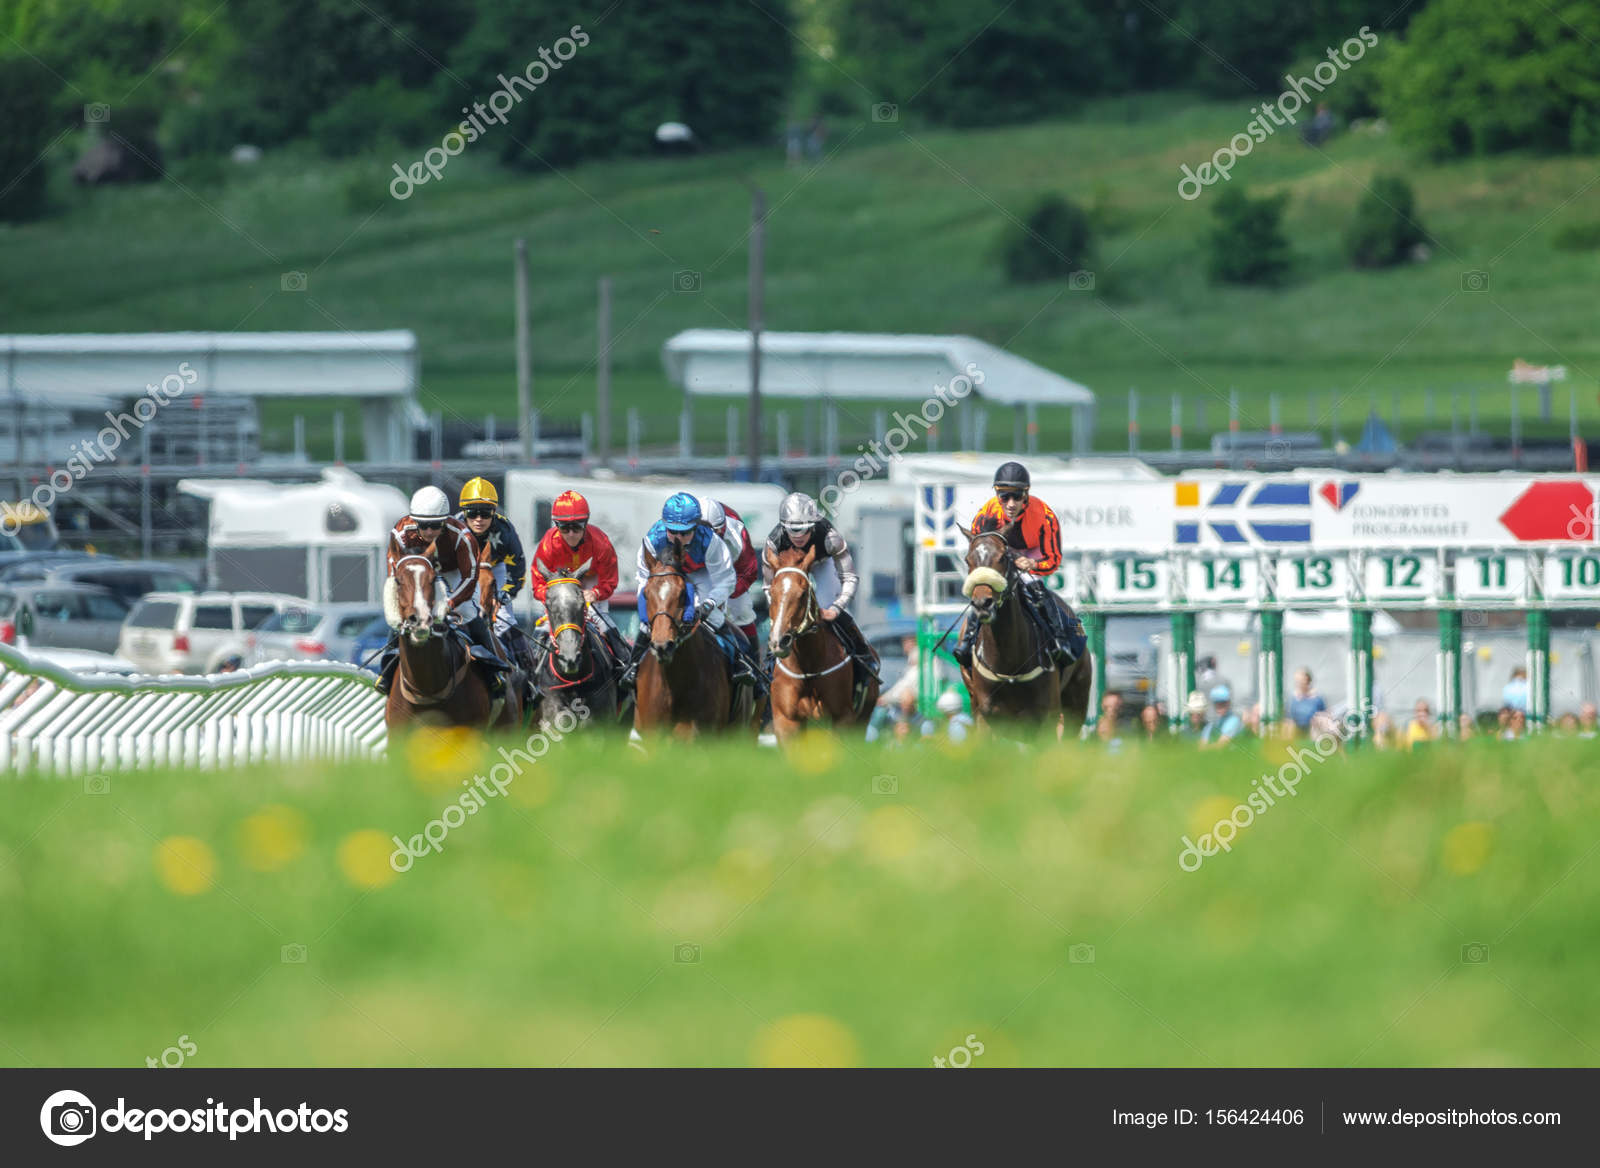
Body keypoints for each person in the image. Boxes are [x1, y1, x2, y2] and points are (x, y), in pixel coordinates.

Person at [621, 492, 761, 691]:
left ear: (696, 526)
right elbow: (644, 581)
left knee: (714, 619)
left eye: (685, 533)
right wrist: (647, 614)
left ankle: (741, 664)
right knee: (649, 624)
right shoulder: (653, 540)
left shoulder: (711, 541)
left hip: (703, 573)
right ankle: (633, 667)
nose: (678, 538)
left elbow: (726, 580)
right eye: (673, 531)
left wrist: (710, 603)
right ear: (665, 525)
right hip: (667, 575)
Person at [376, 486, 502, 699]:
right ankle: (387, 671)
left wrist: (448, 605)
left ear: (445, 521)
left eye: (435, 526)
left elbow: (469, 578)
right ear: (414, 520)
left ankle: (493, 671)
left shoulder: (462, 536)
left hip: (453, 574)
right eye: (423, 525)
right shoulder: (400, 534)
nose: (428, 532)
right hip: (416, 573)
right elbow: (395, 576)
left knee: (470, 613)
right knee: (401, 617)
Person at [951, 462, 1079, 672]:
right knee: (983, 592)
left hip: (1031, 553)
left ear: (1026, 495)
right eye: (1004, 497)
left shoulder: (1045, 516)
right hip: (998, 556)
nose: (1010, 504)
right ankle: (967, 641)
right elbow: (978, 549)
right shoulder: (985, 514)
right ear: (997, 495)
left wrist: (1033, 564)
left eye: (1017, 496)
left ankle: (1059, 640)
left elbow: (1053, 559)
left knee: (1035, 587)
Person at [762, 491, 879, 706]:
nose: (798, 536)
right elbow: (769, 586)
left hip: (821, 564)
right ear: (783, 527)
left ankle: (864, 657)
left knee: (829, 608)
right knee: (782, 616)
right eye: (792, 530)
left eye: (804, 529)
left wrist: (836, 607)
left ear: (813, 525)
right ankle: (768, 665)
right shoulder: (773, 543)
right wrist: (779, 613)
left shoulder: (830, 537)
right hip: (789, 570)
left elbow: (849, 577)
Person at [527, 489, 627, 663]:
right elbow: (538, 585)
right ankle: (530, 675)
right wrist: (557, 598)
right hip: (559, 592)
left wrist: (595, 594)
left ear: (586, 523)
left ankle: (625, 667)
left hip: (590, 585)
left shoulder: (601, 542)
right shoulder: (547, 545)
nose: (571, 534)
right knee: (542, 629)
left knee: (605, 624)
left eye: (577, 527)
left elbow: (610, 580)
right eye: (565, 528)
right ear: (557, 526)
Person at [455, 477, 533, 672]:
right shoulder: (452, 529)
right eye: (473, 513)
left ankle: (529, 675)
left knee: (506, 621)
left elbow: (517, 568)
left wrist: (504, 595)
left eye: (485, 513)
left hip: (494, 569)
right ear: (464, 513)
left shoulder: (505, 530)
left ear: (494, 512)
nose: (479, 519)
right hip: (460, 570)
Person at [698, 495, 760, 645]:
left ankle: (754, 660)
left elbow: (748, 573)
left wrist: (722, 597)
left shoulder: (736, 536)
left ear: (722, 528)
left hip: (730, 574)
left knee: (742, 610)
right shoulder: (681, 531)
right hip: (696, 572)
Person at [1199, 684, 1244, 748]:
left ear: (1228, 703)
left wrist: (1205, 748)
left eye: (1223, 703)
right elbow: (1202, 744)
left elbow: (1220, 746)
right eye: (1216, 702)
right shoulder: (1214, 723)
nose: (1219, 706)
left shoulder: (1234, 721)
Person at [1287, 668, 1326, 735]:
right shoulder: (1292, 699)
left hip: (1312, 729)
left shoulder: (1317, 699)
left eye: (1302, 681)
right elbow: (1288, 718)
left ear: (1308, 681)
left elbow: (1323, 716)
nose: (1299, 683)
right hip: (1295, 729)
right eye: (1297, 681)